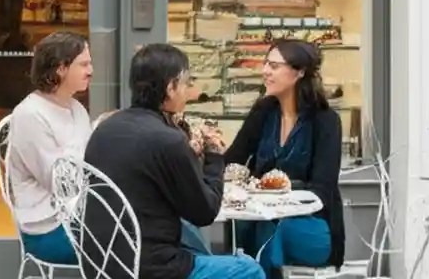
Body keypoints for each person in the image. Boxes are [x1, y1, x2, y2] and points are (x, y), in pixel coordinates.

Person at [83, 44, 263, 279]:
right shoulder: (167, 139)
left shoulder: (106, 128)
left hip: (100, 261)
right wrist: (214, 156)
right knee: (249, 269)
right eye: (186, 83)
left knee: (194, 241)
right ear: (170, 88)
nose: (189, 91)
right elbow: (205, 213)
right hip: (147, 267)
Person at [225, 40, 344, 278]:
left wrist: (274, 195)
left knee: (271, 228)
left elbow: (322, 189)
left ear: (299, 72)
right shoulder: (263, 112)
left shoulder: (325, 121)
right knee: (244, 225)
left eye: (274, 65)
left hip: (311, 226)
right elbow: (232, 160)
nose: (265, 71)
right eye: (266, 63)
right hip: (261, 219)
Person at [6, 31, 94, 265]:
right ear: (60, 69)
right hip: (48, 228)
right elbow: (62, 183)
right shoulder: (30, 115)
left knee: (154, 228)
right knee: (136, 244)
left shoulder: (77, 109)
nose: (90, 71)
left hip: (80, 217)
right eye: (83, 64)